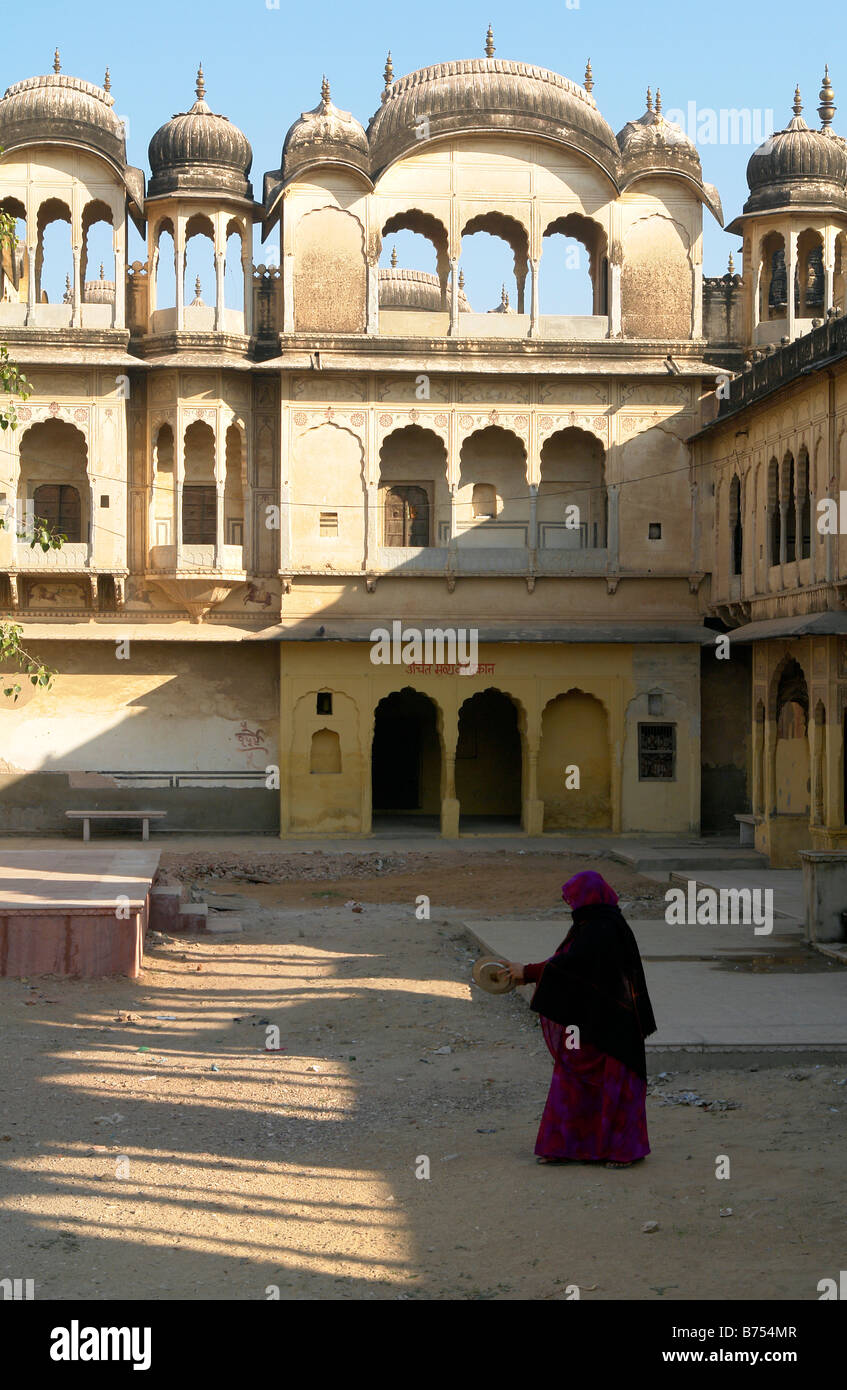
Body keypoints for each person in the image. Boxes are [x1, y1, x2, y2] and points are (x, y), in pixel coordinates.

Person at [503, 870, 656, 1169]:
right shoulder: (592, 923)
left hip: (613, 1022)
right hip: (584, 1017)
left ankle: (621, 1151)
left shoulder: (603, 928)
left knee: (614, 1083)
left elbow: (572, 965)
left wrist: (529, 972)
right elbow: (570, 967)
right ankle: (564, 1147)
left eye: (574, 899)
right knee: (571, 1076)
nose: (572, 906)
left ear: (588, 898)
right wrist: (526, 974)